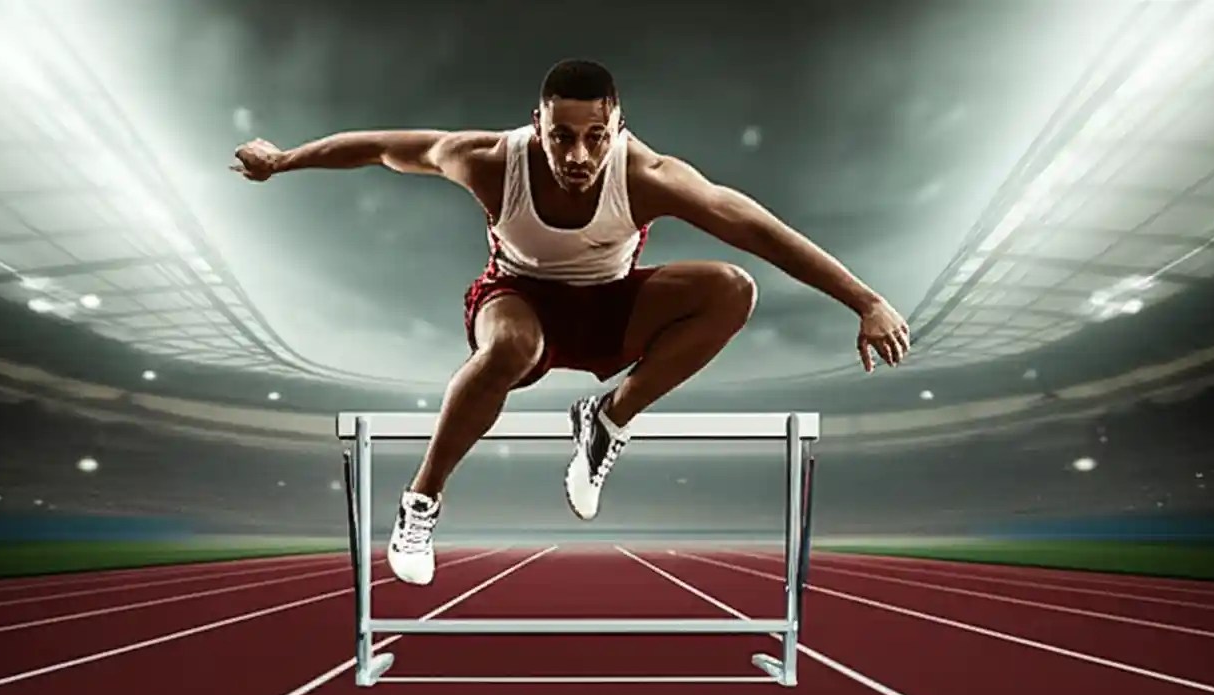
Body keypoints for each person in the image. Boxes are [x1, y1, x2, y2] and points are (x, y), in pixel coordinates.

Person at [232, 59, 911, 585]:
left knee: (731, 289)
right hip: (517, 299)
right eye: (561, 137)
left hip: (611, 310)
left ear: (617, 127)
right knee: (513, 343)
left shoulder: (649, 175)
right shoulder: (491, 161)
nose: (579, 156)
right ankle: (420, 505)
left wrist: (864, 299)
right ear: (537, 124)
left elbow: (757, 229)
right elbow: (380, 147)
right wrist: (284, 159)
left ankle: (609, 417)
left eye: (595, 138)